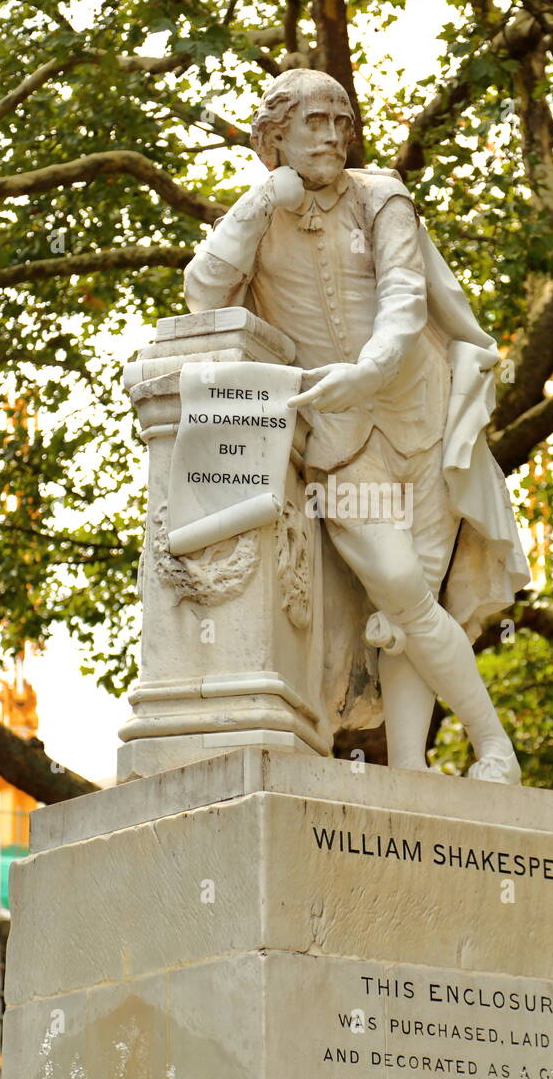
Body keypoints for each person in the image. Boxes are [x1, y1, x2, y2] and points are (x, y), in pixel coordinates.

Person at [183, 68, 530, 782]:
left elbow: (405, 296)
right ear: (274, 133)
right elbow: (203, 292)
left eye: (343, 122)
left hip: (424, 421)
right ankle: (495, 743)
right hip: (341, 446)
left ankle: (411, 765)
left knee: (411, 611)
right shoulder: (260, 214)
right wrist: (259, 199)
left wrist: (371, 370)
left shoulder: (381, 196)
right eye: (316, 123)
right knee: (399, 584)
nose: (336, 136)